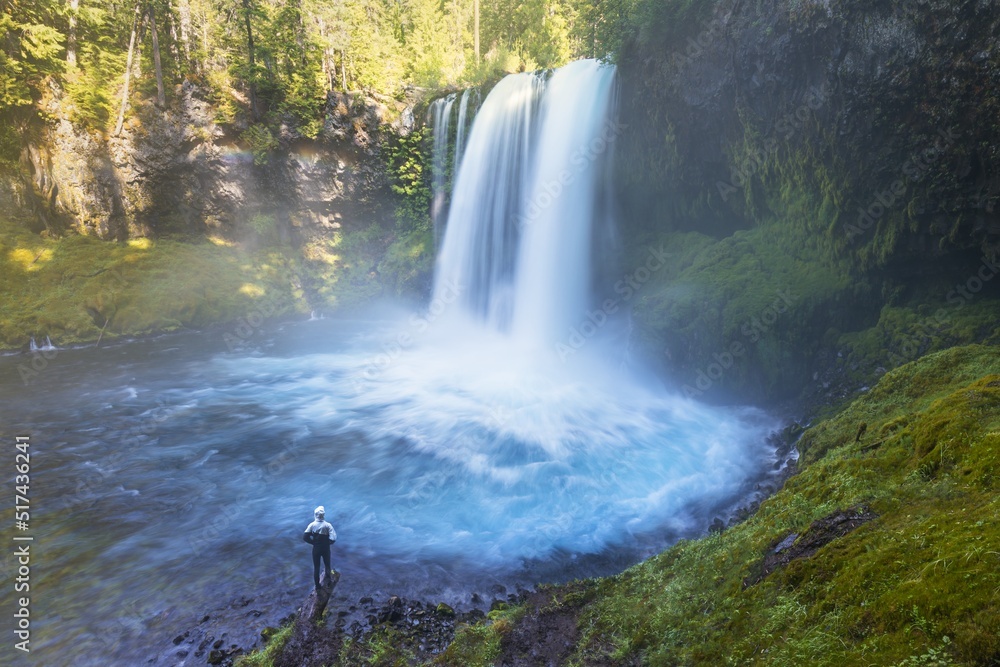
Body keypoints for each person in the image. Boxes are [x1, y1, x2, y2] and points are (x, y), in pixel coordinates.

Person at [302, 505, 336, 588]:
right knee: (327, 564)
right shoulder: (328, 525)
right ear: (323, 515)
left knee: (316, 567)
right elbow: (333, 538)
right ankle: (328, 579)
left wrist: (313, 542)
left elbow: (305, 537)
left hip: (316, 549)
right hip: (326, 549)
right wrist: (328, 543)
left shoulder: (312, 525)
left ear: (315, 515)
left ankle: (317, 586)